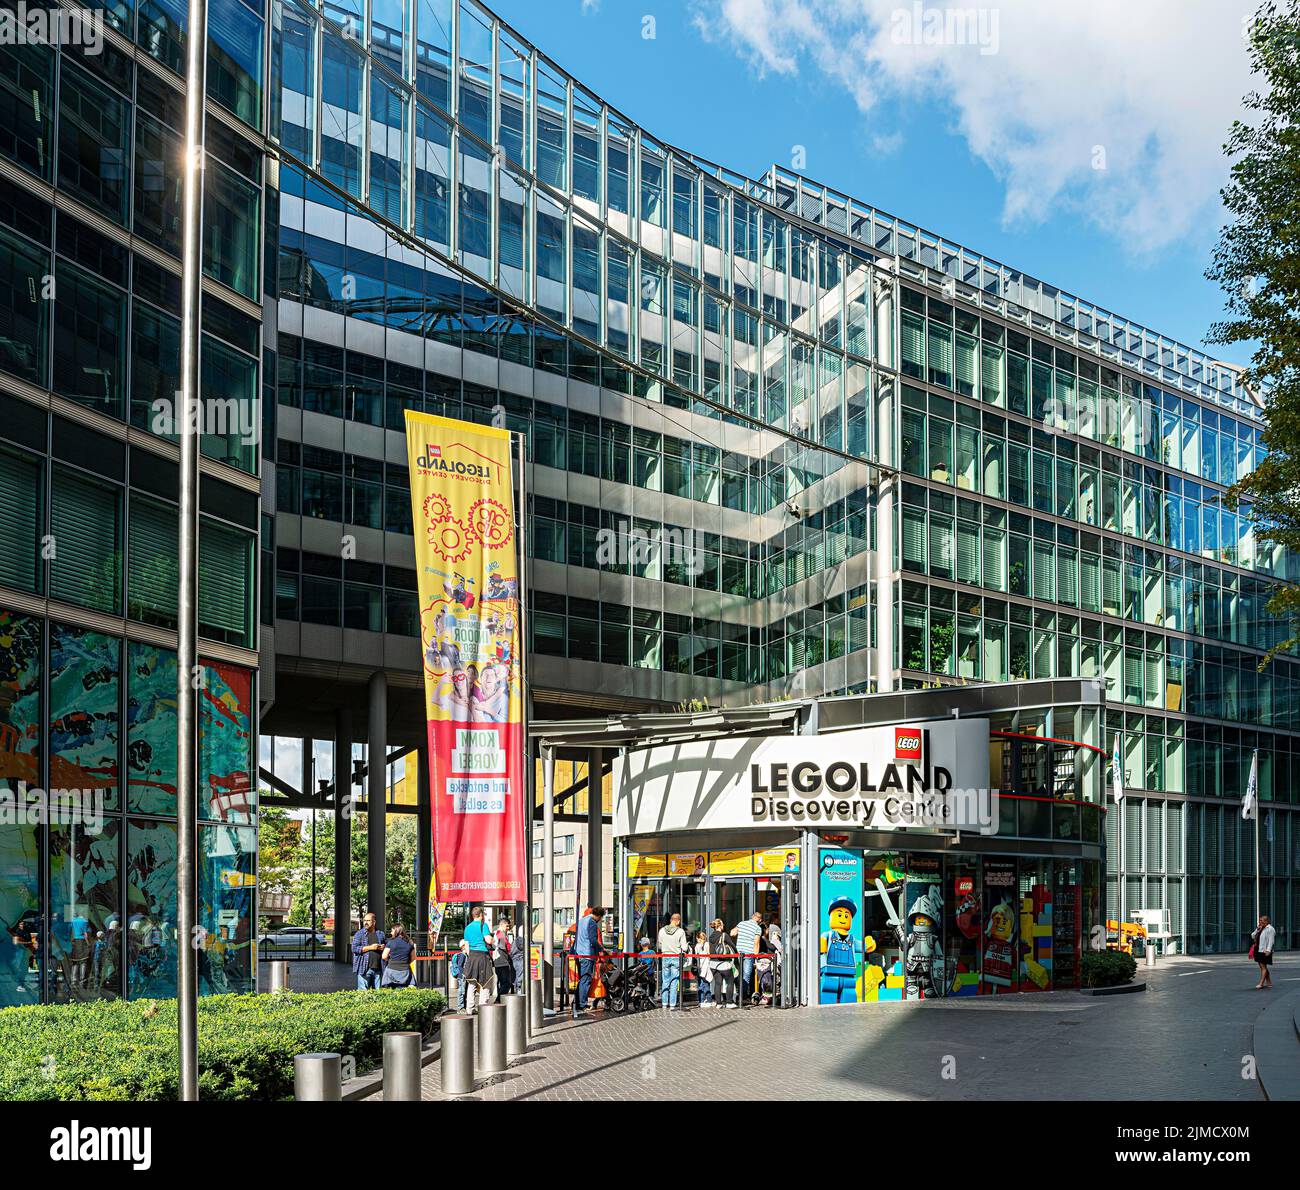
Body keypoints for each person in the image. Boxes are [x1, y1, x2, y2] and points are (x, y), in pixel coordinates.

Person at [572, 905, 605, 1019]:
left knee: (582, 979)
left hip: (579, 954)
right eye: (601, 918)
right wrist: (602, 950)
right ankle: (581, 1004)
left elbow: (576, 938)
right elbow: (593, 940)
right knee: (586, 979)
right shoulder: (591, 922)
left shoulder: (581, 921)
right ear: (599, 916)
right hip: (587, 954)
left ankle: (576, 1002)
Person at [462, 905, 495, 1009]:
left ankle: (469, 1008)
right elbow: (488, 940)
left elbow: (466, 946)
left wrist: (470, 954)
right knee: (485, 982)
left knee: (472, 982)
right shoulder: (483, 925)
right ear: (481, 915)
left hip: (472, 956)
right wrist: (493, 939)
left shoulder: (467, 928)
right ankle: (483, 1007)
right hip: (482, 956)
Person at [730, 910, 764, 1007]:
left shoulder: (742, 923)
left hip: (739, 952)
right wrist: (756, 957)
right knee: (746, 975)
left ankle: (736, 993)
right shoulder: (757, 928)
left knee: (737, 973)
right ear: (759, 920)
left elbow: (732, 933)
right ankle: (741, 997)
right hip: (749, 954)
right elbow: (756, 943)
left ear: (752, 917)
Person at [656, 912, 690, 1010]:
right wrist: (686, 945)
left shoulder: (662, 930)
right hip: (676, 957)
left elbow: (659, 945)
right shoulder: (680, 932)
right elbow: (684, 947)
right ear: (678, 921)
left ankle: (664, 1003)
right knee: (674, 981)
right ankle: (672, 1005)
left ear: (671, 920)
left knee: (665, 980)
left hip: (665, 956)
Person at [351, 912, 386, 990]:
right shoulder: (359, 934)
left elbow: (386, 947)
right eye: (365, 920)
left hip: (378, 969)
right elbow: (354, 948)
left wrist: (383, 947)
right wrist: (371, 947)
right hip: (364, 968)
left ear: (374, 922)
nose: (366, 922)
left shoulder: (380, 934)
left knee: (378, 994)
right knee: (363, 994)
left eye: (368, 920)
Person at [708, 918, 735, 1008]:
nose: (724, 926)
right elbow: (733, 946)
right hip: (723, 963)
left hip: (713, 963)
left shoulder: (711, 936)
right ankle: (729, 1002)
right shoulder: (724, 935)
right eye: (722, 924)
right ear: (719, 926)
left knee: (718, 983)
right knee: (730, 981)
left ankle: (718, 1003)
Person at [381, 924, 415, 988]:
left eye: (392, 931)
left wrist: (390, 960)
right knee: (404, 991)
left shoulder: (391, 942)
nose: (391, 933)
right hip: (405, 971)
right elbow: (413, 957)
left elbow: (384, 956)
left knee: (390, 991)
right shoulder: (410, 942)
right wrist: (406, 962)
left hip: (391, 970)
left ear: (397, 931)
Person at [1251, 914, 1276, 990]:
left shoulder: (1270, 929)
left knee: (1263, 967)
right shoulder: (1260, 928)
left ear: (1266, 921)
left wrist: (1268, 950)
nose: (1260, 922)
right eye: (1260, 920)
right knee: (1263, 966)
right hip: (1258, 949)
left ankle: (1261, 983)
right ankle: (1269, 982)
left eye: (1261, 920)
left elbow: (1271, 941)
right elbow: (1252, 936)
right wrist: (1257, 930)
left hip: (1264, 951)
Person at [492, 917, 514, 995]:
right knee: (506, 982)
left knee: (501, 981)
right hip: (502, 960)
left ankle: (499, 999)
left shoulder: (498, 933)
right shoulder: (499, 933)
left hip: (498, 960)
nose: (508, 928)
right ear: (502, 924)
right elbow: (504, 947)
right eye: (507, 926)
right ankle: (499, 998)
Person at [693, 930, 714, 1006]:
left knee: (702, 983)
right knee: (705, 983)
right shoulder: (705, 945)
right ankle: (708, 1000)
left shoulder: (697, 946)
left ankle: (702, 1000)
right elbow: (709, 954)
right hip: (705, 967)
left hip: (701, 967)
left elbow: (697, 957)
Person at [451, 939, 471, 1011]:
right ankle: (460, 1007)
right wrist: (463, 974)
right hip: (462, 976)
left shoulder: (465, 955)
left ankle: (464, 1006)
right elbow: (460, 966)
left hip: (463, 976)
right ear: (463, 946)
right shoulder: (462, 955)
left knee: (464, 991)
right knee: (462, 991)